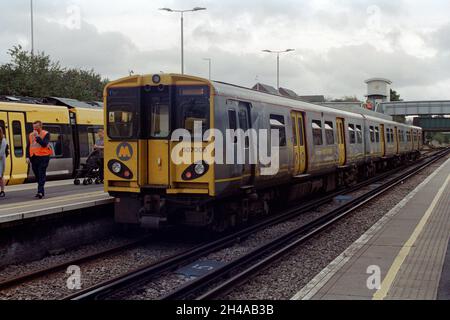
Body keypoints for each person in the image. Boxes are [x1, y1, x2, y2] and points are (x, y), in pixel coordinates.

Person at [26, 121, 52, 199]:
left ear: (40, 127)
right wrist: (27, 157)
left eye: (36, 127)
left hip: (43, 156)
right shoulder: (30, 135)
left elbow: (44, 144)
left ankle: (40, 191)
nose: (35, 129)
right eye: (34, 127)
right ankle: (41, 190)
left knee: (41, 173)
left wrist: (37, 137)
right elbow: (28, 146)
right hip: (34, 157)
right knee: (37, 174)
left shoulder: (46, 134)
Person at [0, 127, 7, 198]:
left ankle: (2, 191)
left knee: (0, 176)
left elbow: (1, 153)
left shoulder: (3, 140)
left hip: (0, 160)